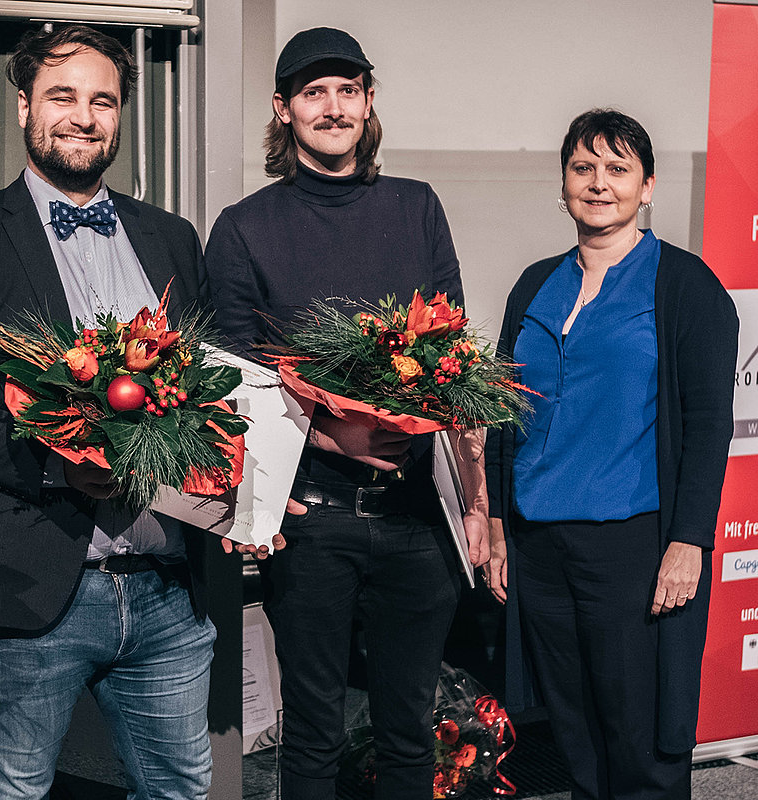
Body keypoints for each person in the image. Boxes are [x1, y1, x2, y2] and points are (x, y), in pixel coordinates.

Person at [0, 24, 214, 800]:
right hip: (31, 585)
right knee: (10, 792)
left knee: (178, 790)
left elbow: (206, 396)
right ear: (22, 107)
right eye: (62, 97)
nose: (84, 116)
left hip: (170, 590)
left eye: (102, 101)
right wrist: (63, 463)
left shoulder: (174, 239)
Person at [204, 26, 489, 800]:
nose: (332, 108)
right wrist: (333, 432)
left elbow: (455, 364)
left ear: (367, 102)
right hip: (315, 519)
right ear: (283, 108)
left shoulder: (416, 208)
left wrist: (476, 508)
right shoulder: (242, 228)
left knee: (406, 731)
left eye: (347, 90)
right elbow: (233, 381)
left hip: (417, 518)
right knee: (312, 734)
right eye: (313, 92)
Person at [483, 109, 737, 800]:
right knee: (573, 737)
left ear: (646, 186)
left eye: (617, 169)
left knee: (640, 741)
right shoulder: (534, 284)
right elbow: (503, 412)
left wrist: (688, 541)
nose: (599, 184)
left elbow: (709, 422)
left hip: (631, 544)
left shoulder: (683, 286)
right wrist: (500, 527)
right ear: (562, 182)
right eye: (582, 168)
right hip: (538, 543)